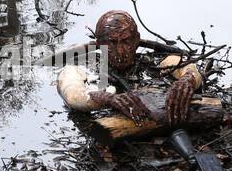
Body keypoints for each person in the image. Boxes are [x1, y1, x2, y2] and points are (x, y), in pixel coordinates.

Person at [56, 10, 203, 125]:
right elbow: (72, 94)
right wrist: (106, 99)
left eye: (126, 41)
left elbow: (186, 66)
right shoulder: (83, 67)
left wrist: (187, 81)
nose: (120, 51)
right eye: (112, 43)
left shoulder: (154, 63)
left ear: (136, 40)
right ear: (100, 44)